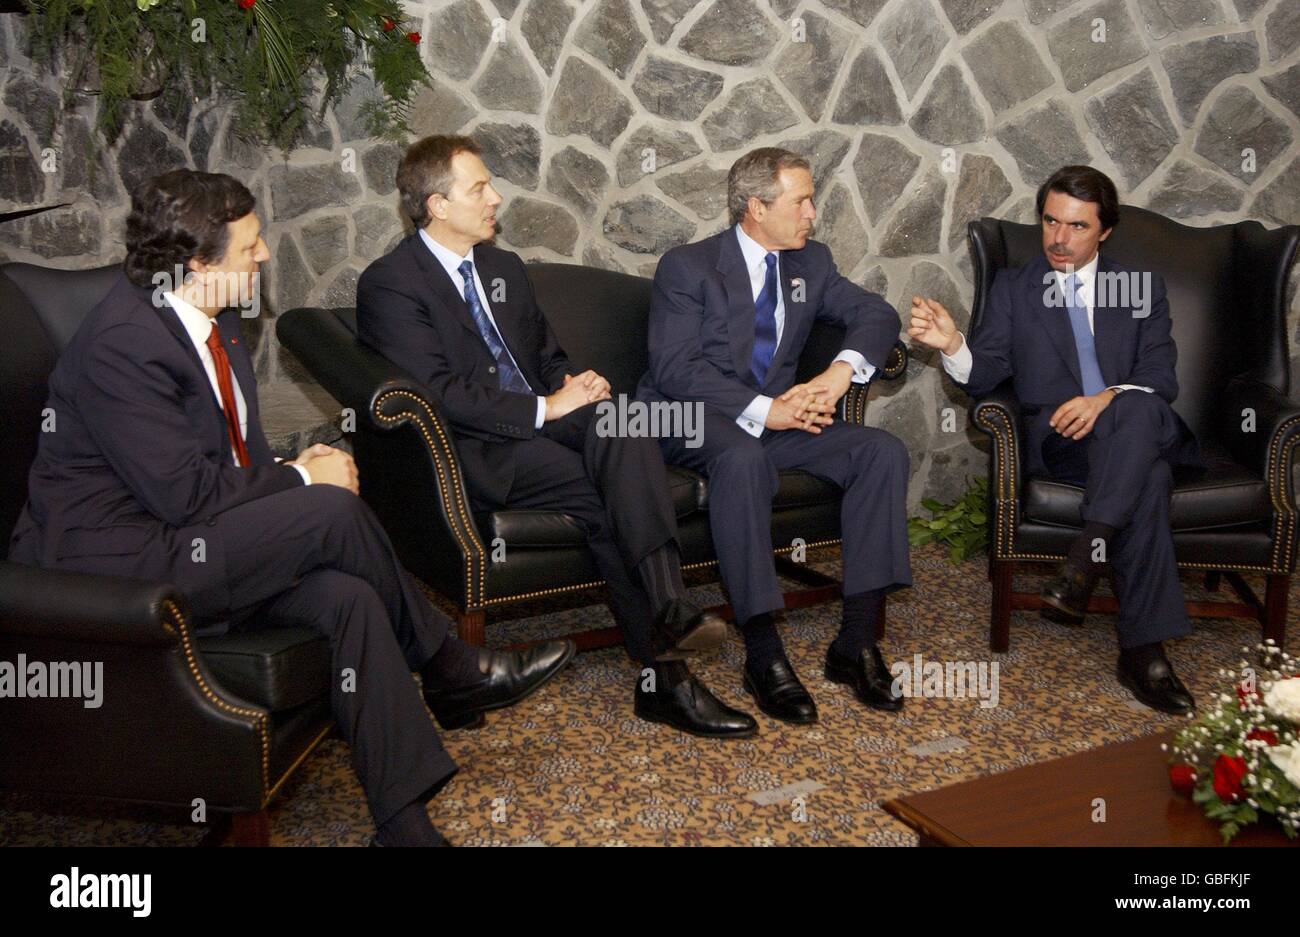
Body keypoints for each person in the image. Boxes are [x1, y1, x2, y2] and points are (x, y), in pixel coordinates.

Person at [8, 169, 574, 846]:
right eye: (250, 247)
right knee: (328, 511)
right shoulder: (123, 346)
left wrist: (287, 476)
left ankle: (404, 824)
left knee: (347, 599)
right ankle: (449, 664)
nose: (266, 256)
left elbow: (232, 469)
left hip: (186, 534)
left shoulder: (218, 327)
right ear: (197, 261)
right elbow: (184, 493)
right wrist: (301, 477)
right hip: (115, 566)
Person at [356, 136, 735, 737]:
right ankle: (668, 679)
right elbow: (439, 392)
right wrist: (544, 407)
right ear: (436, 204)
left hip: (546, 416)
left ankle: (669, 609)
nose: (495, 198)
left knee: (626, 420)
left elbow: (546, 356)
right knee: (602, 500)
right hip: (480, 446)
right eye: (479, 188)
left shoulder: (503, 268)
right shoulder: (392, 284)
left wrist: (575, 384)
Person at [908, 164, 1201, 715]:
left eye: (1076, 226)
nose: (1059, 239)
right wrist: (953, 346)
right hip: (1065, 444)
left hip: (1134, 427)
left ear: (1105, 231)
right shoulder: (1017, 289)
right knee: (1151, 475)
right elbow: (988, 370)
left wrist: (1104, 398)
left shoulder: (1138, 287)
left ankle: (1090, 571)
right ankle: (1140, 647)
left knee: (1136, 410)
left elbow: (1162, 379)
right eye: (1049, 222)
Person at [636, 146, 912, 728]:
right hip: (686, 417)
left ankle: (855, 643)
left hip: (777, 420)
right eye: (802, 201)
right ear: (756, 207)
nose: (813, 213)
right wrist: (767, 410)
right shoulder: (688, 267)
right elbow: (676, 370)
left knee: (879, 452)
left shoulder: (810, 264)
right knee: (741, 457)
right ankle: (763, 655)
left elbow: (877, 313)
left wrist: (838, 375)